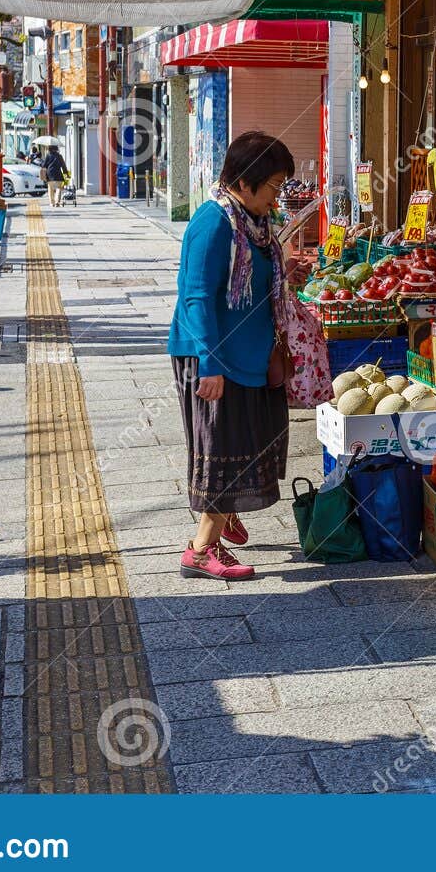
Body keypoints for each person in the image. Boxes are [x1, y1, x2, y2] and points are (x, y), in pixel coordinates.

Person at [168, 131, 296, 581]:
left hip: (248, 358)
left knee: (249, 443)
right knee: (226, 451)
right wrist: (211, 364)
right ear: (245, 181)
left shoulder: (252, 226)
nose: (277, 198)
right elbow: (197, 298)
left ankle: (222, 519)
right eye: (274, 186)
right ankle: (200, 551)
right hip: (214, 360)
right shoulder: (214, 222)